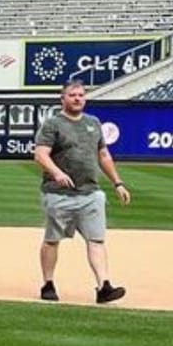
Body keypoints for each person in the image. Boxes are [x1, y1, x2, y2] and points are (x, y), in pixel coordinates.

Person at [33, 79, 130, 304]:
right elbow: (40, 154)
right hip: (59, 194)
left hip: (90, 193)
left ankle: (104, 286)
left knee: (96, 240)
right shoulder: (53, 124)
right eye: (72, 95)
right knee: (52, 240)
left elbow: (103, 155)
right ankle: (48, 283)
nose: (77, 99)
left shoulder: (93, 122)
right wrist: (56, 173)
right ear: (63, 99)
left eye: (81, 95)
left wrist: (118, 182)